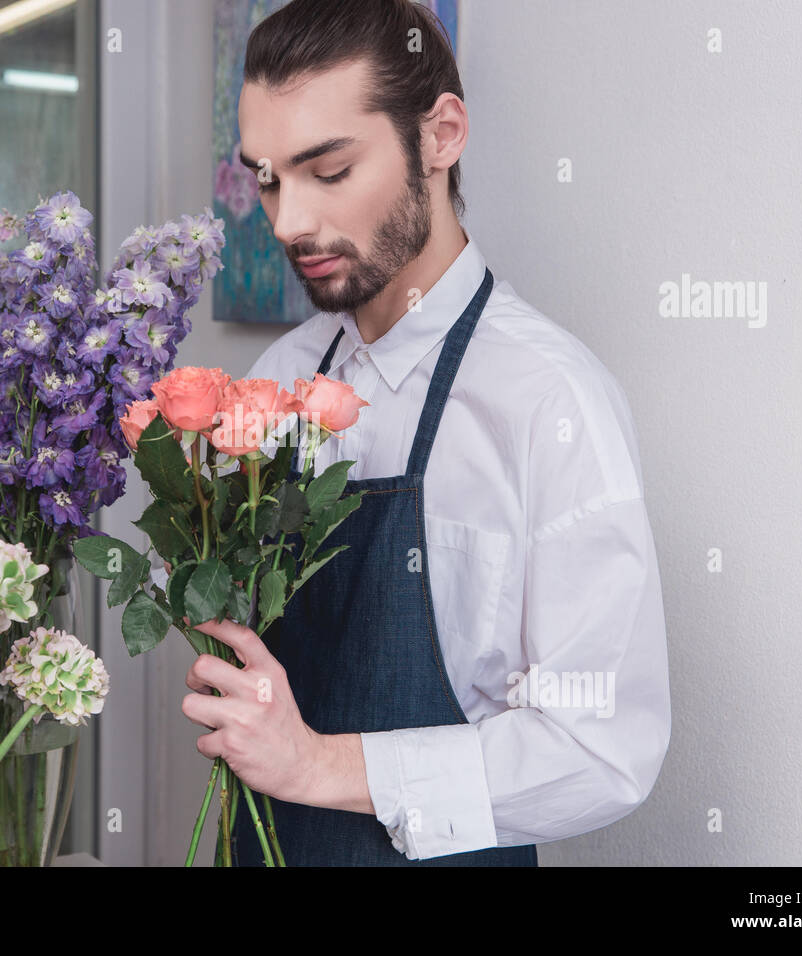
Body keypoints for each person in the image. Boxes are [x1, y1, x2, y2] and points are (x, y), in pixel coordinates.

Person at [180, 0, 671, 866]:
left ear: (440, 136)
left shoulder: (549, 403)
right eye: (267, 178)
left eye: (327, 170)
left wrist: (316, 763)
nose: (288, 221)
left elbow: (602, 750)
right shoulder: (282, 380)